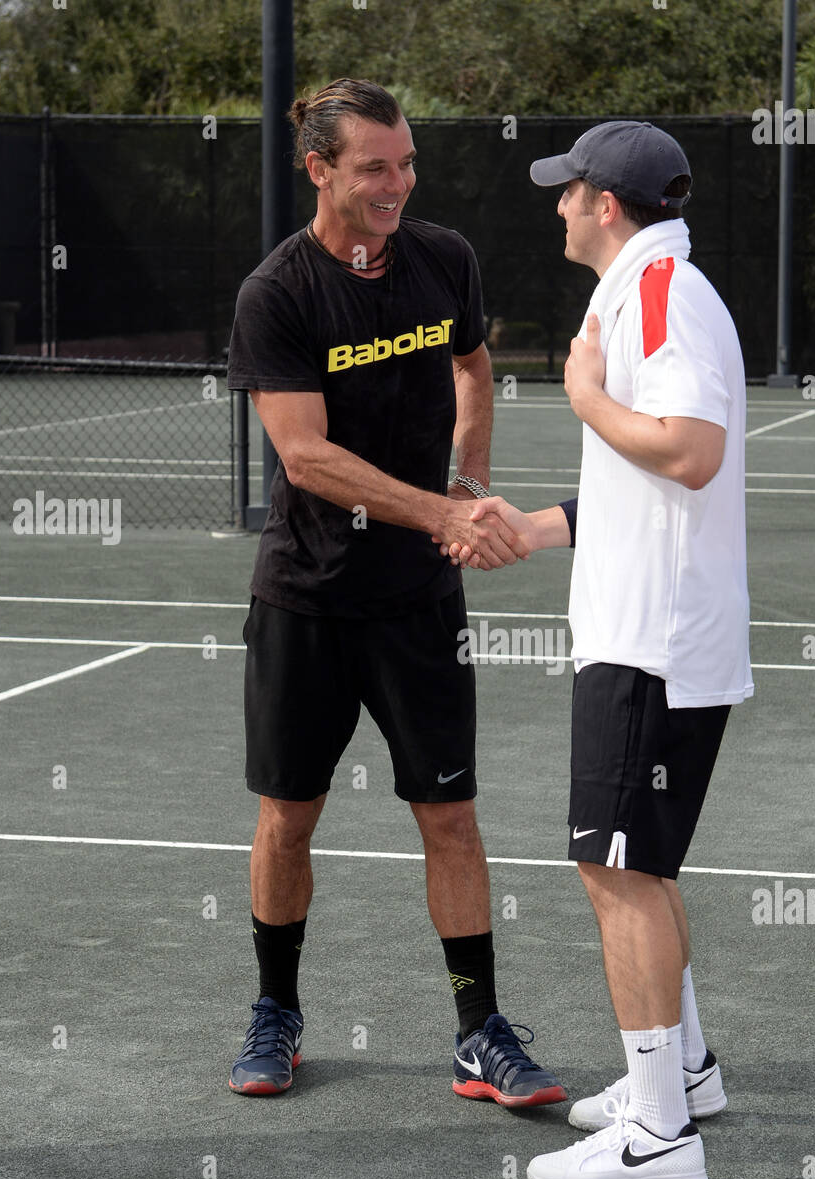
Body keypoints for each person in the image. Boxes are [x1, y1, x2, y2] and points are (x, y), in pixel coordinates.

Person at [224, 78, 565, 1110]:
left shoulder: (442, 258)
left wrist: (467, 483)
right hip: (309, 600)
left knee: (449, 816)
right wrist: (444, 515)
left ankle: (478, 1031)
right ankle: (275, 1010)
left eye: (407, 162)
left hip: (417, 604)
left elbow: (473, 367)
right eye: (374, 166)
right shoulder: (277, 294)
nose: (397, 184)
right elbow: (306, 455)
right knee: (290, 816)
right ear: (318, 167)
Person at [443, 121, 753, 1179]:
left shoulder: (659, 295)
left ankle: (660, 1135)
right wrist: (534, 526)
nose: (558, 207)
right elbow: (644, 483)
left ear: (605, 204)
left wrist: (582, 398)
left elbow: (689, 450)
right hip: (649, 629)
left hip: (651, 643)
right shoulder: (641, 288)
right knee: (639, 865)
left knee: (613, 868)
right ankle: (685, 1076)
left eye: (566, 191)